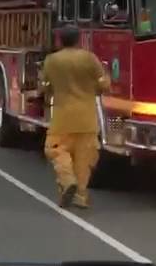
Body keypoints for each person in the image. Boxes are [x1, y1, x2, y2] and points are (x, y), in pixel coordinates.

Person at [41, 24, 110, 209]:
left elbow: (45, 85)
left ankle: (67, 179)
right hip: (87, 119)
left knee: (55, 149)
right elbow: (103, 84)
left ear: (60, 40)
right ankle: (80, 196)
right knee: (84, 160)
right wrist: (93, 89)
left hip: (63, 118)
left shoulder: (52, 60)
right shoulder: (89, 58)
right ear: (78, 39)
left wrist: (45, 95)